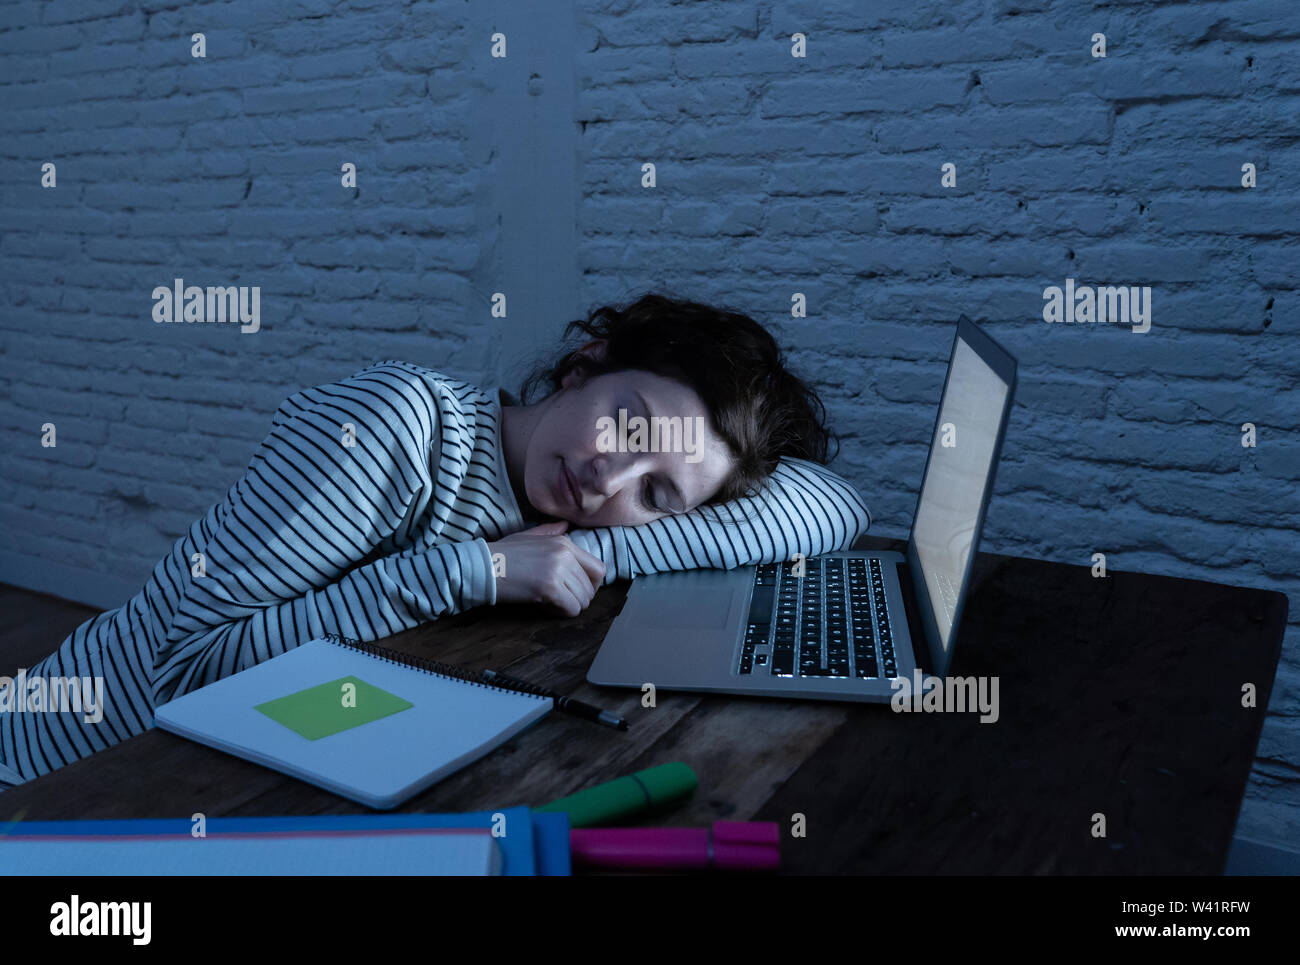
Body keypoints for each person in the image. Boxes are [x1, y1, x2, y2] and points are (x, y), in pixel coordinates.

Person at [0, 292, 870, 789]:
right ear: (584, 366)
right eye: (624, 422)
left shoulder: (577, 518)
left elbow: (831, 505)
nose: (607, 481)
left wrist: (594, 553)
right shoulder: (399, 429)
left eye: (656, 493)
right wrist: (475, 570)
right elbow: (186, 671)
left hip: (226, 774)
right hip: (65, 769)